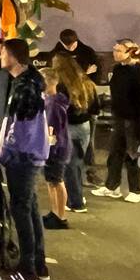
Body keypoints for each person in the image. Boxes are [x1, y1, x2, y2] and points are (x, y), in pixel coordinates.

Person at [0, 38, 49, 280]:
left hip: (23, 155)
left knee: (21, 208)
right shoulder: (30, 81)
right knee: (30, 207)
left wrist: (7, 149)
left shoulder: (24, 86)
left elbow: (22, 124)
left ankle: (27, 269)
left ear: (14, 56)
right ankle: (38, 263)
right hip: (31, 154)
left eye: (3, 52)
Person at [94, 40, 140, 203]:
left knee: (134, 154)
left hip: (136, 120)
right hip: (120, 118)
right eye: (114, 50)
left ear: (130, 52)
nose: (115, 53)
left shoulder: (138, 71)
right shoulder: (118, 69)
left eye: (119, 51)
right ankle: (112, 187)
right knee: (115, 153)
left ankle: (136, 190)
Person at [50, 53, 97, 214]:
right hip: (84, 126)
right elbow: (95, 107)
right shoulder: (86, 82)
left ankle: (75, 201)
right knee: (76, 164)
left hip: (66, 127)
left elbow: (56, 110)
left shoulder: (59, 86)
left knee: (68, 167)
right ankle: (76, 197)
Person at [41, 73, 71, 229]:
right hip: (56, 149)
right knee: (52, 182)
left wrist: (49, 149)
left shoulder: (53, 105)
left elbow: (52, 132)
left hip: (55, 150)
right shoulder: (52, 101)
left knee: (57, 182)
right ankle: (55, 212)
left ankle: (60, 216)